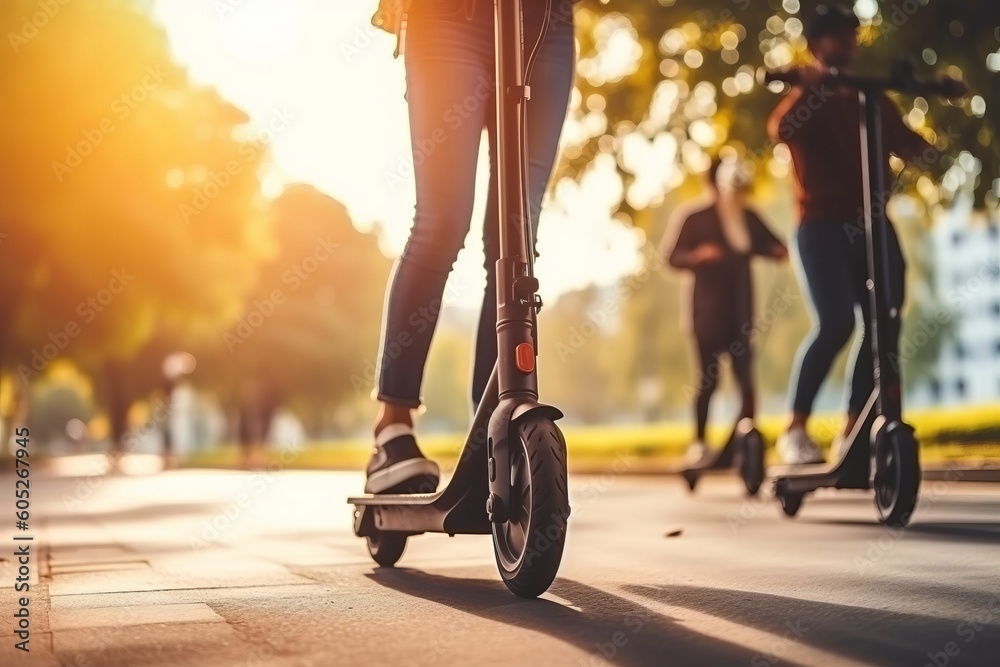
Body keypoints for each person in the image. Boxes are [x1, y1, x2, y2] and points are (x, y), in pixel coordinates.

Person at [364, 0, 576, 494]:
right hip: (447, 18)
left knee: (516, 235)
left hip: (546, 22)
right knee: (442, 222)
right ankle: (392, 425)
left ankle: (493, 432)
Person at [767, 4, 932, 464]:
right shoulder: (809, 96)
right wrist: (809, 85)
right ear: (818, 45)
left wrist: (940, 94)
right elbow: (780, 129)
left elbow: (911, 145)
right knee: (837, 321)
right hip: (820, 227)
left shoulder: (871, 97)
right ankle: (795, 430)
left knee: (886, 321)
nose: (848, 44)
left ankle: (853, 429)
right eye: (839, 36)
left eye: (852, 36)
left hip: (874, 224)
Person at [663, 157, 788, 463]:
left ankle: (739, 446)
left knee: (746, 382)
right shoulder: (695, 218)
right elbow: (671, 256)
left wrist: (775, 251)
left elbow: (774, 245)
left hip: (741, 315)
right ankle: (700, 443)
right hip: (707, 317)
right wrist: (697, 256)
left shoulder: (747, 216)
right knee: (708, 381)